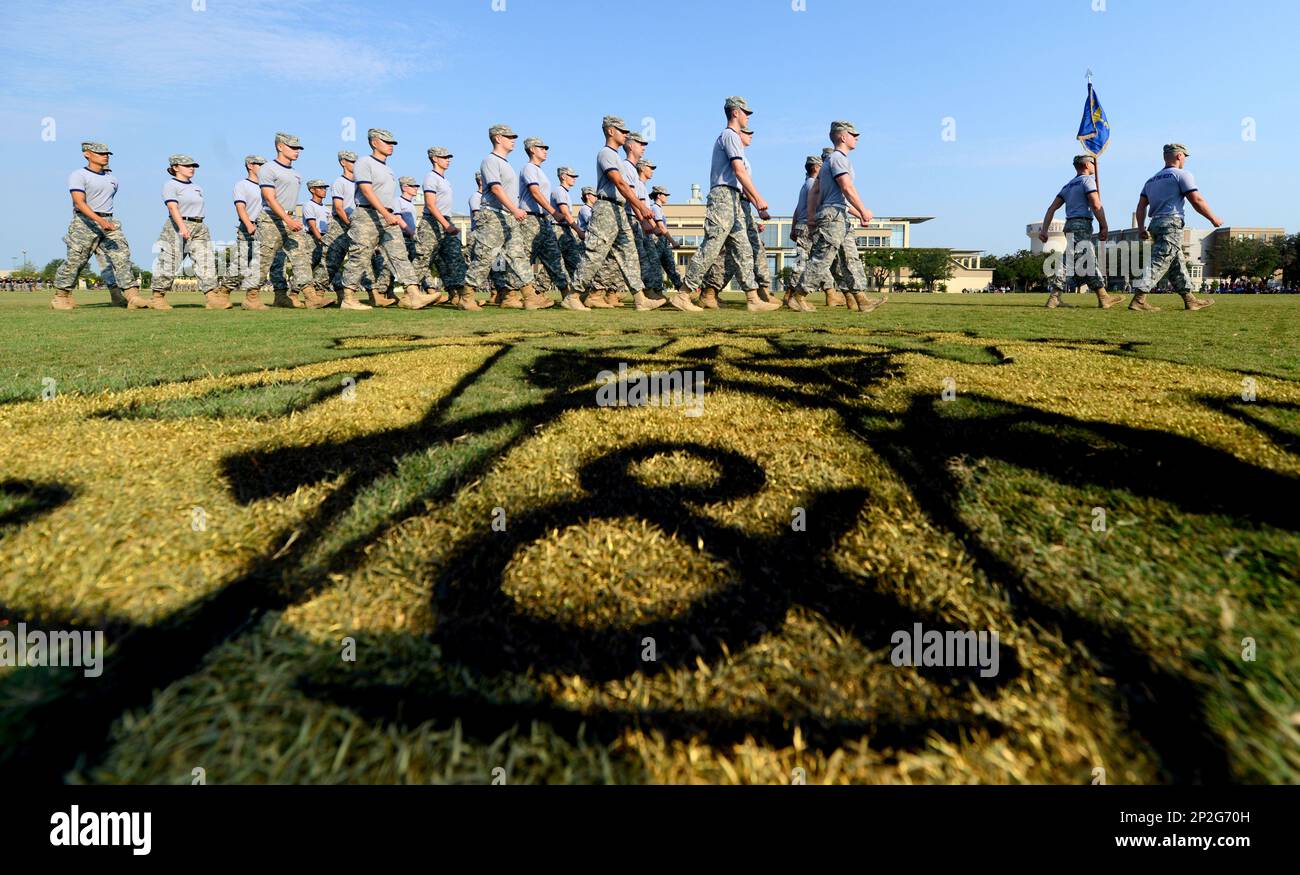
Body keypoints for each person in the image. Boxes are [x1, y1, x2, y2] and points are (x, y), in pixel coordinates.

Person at [680, 96, 778, 312]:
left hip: (733, 198)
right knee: (712, 246)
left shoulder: (733, 137)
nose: (748, 118)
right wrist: (759, 199)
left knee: (743, 248)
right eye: (746, 113)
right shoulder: (730, 135)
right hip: (723, 196)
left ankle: (753, 299)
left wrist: (754, 201)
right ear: (735, 112)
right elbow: (738, 171)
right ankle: (684, 293)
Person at [570, 115, 663, 311]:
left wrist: (638, 208)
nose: (626, 134)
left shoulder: (616, 157)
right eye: (622, 131)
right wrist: (641, 206)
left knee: (629, 254)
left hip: (618, 209)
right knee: (594, 253)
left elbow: (624, 187)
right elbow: (619, 183)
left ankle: (640, 299)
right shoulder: (606, 153)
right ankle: (573, 295)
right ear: (611, 131)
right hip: (606, 209)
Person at [338, 127, 437, 311]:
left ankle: (413, 294)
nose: (391, 146)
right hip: (367, 215)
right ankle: (348, 298)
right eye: (387, 142)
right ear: (375, 142)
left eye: (392, 143)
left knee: (399, 255)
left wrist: (391, 216)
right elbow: (366, 191)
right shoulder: (364, 162)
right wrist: (385, 213)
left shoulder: (388, 169)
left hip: (388, 217)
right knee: (360, 256)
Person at [52, 141, 150, 310]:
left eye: (107, 154)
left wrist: (106, 221)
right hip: (85, 222)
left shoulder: (112, 178)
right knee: (77, 260)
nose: (105, 156)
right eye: (100, 153)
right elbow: (79, 202)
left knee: (121, 257)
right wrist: (99, 220)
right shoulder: (79, 175)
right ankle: (61, 296)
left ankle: (132, 296)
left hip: (109, 221)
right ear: (87, 154)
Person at [463, 124, 551, 310]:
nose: (513, 140)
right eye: (509, 137)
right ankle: (467, 297)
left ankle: (529, 296)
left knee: (517, 256)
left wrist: (512, 211)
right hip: (494, 215)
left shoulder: (505, 164)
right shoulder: (490, 160)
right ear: (497, 138)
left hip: (507, 216)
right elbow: (495, 188)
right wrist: (515, 209)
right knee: (485, 257)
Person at [798, 120, 882, 314]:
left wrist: (811, 217)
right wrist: (862, 210)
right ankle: (798, 296)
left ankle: (861, 299)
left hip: (838, 214)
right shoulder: (838, 159)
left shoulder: (830, 161)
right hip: (833, 216)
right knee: (823, 258)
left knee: (850, 258)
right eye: (853, 135)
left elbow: (815, 191)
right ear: (843, 136)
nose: (856, 138)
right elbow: (847, 187)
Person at [1129, 143, 1222, 311]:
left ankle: (1190, 300)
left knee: (1176, 264)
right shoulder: (1182, 175)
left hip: (1155, 224)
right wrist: (1213, 218)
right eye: (1185, 157)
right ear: (1180, 156)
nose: (1185, 160)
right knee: (1160, 261)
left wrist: (1141, 227)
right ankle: (1139, 299)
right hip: (1171, 222)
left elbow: (1141, 206)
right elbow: (1196, 200)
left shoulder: (1151, 180)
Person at [243, 132, 328, 309]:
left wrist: (291, 219)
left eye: (298, 148)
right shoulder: (268, 169)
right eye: (293, 147)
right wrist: (287, 219)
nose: (297, 151)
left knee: (301, 258)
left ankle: (311, 298)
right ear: (280, 146)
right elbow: (269, 197)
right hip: (271, 220)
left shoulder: (296, 173)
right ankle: (251, 298)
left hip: (291, 218)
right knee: (263, 260)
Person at [1037, 155, 1123, 309]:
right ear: (1086, 165)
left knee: (1073, 260)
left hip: (1070, 224)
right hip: (1082, 224)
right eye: (1092, 163)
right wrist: (1104, 225)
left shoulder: (1068, 185)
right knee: (1087, 259)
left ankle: (1056, 297)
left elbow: (1051, 208)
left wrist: (1044, 230)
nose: (1094, 166)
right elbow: (1096, 205)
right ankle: (1102, 297)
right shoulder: (1088, 181)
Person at [151, 154, 221, 310]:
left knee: (205, 261)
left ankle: (212, 297)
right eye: (187, 166)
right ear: (176, 167)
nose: (192, 168)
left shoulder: (197, 187)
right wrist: (182, 227)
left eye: (193, 166)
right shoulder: (171, 185)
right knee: (169, 261)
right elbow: (172, 207)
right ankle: (157, 297)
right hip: (178, 224)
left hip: (199, 226)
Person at [415, 146, 476, 309]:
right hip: (432, 223)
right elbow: (430, 204)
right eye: (444, 157)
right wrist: (446, 225)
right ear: (435, 158)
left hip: (446, 220)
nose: (448, 160)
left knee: (454, 259)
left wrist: (448, 224)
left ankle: (458, 295)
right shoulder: (431, 178)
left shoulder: (445, 180)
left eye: (448, 157)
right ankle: (411, 293)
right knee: (423, 258)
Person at [515, 136, 568, 307]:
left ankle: (568, 295)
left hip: (543, 221)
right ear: (532, 149)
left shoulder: (539, 170)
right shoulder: (529, 168)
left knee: (555, 258)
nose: (545, 150)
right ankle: (514, 295)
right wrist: (554, 211)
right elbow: (535, 193)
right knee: (523, 258)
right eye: (541, 147)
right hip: (530, 219)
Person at [322, 149, 363, 307]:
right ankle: (317, 293)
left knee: (357, 259)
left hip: (355, 223)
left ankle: (347, 294)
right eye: (352, 161)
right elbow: (339, 207)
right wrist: (349, 223)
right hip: (341, 224)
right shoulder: (339, 182)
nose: (355, 165)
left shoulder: (359, 183)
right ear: (343, 162)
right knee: (332, 261)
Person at [230, 154, 269, 309]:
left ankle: (253, 298)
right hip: (249, 227)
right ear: (250, 166)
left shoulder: (267, 186)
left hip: (266, 228)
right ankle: (224, 291)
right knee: (241, 264)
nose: (263, 168)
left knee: (262, 263)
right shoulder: (242, 185)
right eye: (260, 164)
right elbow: (240, 207)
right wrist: (248, 225)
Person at [648, 185, 685, 291]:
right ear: (659, 196)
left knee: (671, 267)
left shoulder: (659, 208)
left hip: (663, 242)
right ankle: (656, 292)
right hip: (658, 241)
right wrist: (672, 241)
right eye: (665, 195)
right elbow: (661, 227)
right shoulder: (655, 208)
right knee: (655, 268)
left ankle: (681, 290)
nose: (667, 197)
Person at [551, 166, 584, 279]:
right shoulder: (560, 191)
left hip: (564, 229)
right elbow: (566, 214)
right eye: (572, 176)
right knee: (556, 262)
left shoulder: (565, 192)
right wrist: (578, 231)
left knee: (574, 261)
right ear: (564, 177)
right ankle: (539, 291)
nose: (574, 178)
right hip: (558, 229)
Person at [302, 178, 332, 297]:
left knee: (323, 266)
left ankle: (318, 293)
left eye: (325, 188)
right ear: (312, 190)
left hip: (324, 238)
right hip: (312, 238)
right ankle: (294, 293)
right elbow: (312, 225)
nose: (324, 190)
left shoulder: (326, 209)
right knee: (308, 266)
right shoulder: (309, 205)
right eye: (320, 188)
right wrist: (321, 239)